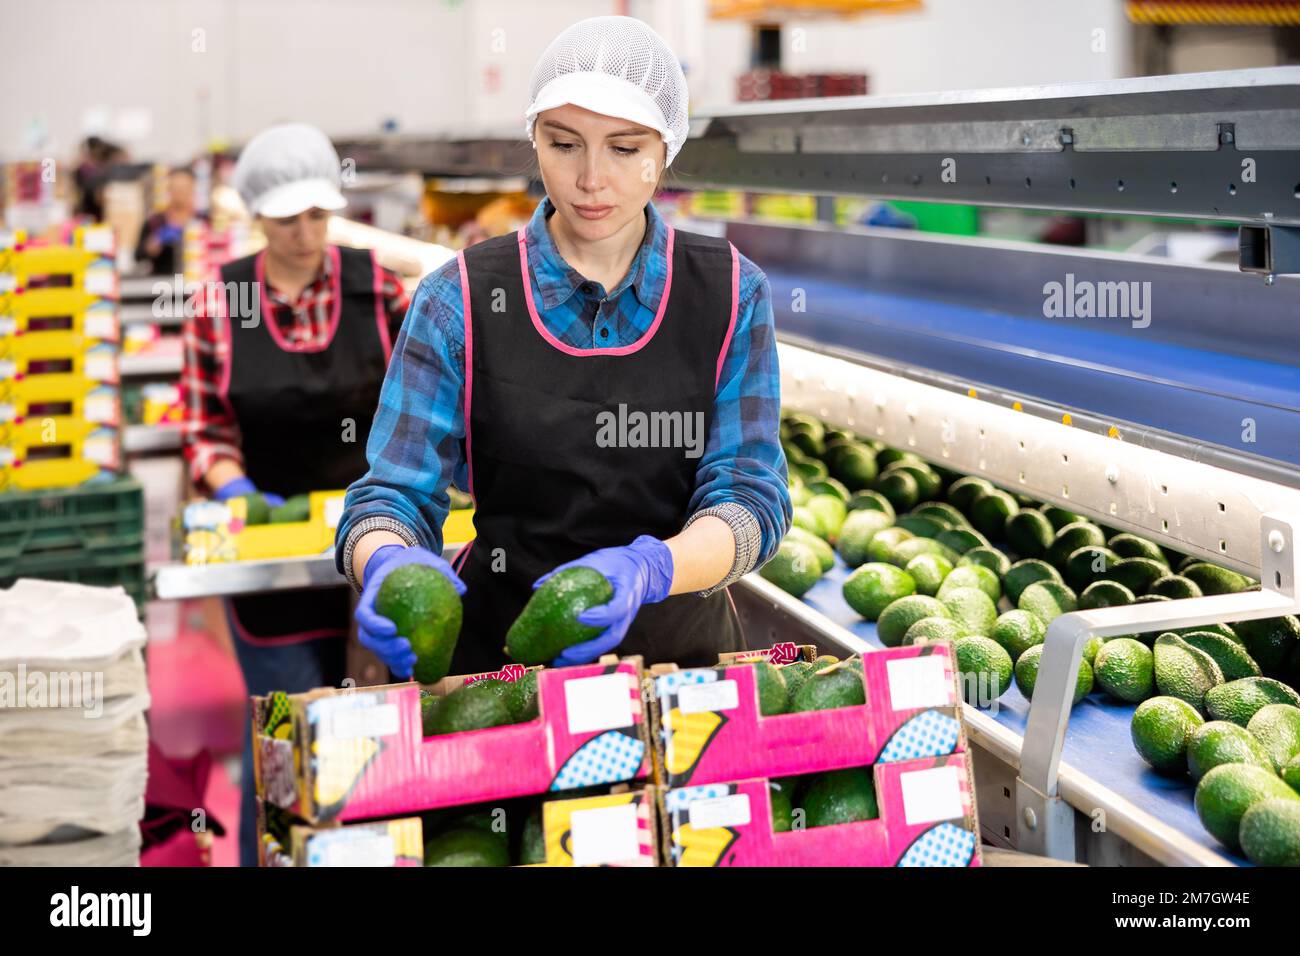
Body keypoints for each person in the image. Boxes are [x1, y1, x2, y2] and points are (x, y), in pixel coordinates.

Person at [337, 16, 790, 678]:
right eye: (565, 143)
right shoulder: (458, 298)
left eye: (625, 149)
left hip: (684, 682)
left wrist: (654, 567)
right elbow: (391, 496)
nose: (590, 179)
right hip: (503, 674)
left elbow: (751, 498)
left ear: (667, 149)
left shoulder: (730, 293)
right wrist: (385, 558)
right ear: (535, 140)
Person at [179, 123, 411, 866]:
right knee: (283, 737)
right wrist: (236, 487)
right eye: (287, 219)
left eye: (318, 215)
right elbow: (205, 426)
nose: (306, 234)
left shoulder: (375, 286)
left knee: (374, 733)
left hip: (378, 540)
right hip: (270, 556)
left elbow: (425, 400)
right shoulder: (229, 298)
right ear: (256, 216)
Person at [135, 166, 206, 275]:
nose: (180, 192)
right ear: (168, 189)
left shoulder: (203, 220)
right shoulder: (154, 222)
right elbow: (138, 256)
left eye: (184, 187)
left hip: (197, 283)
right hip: (162, 285)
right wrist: (150, 248)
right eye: (176, 187)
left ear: (193, 188)